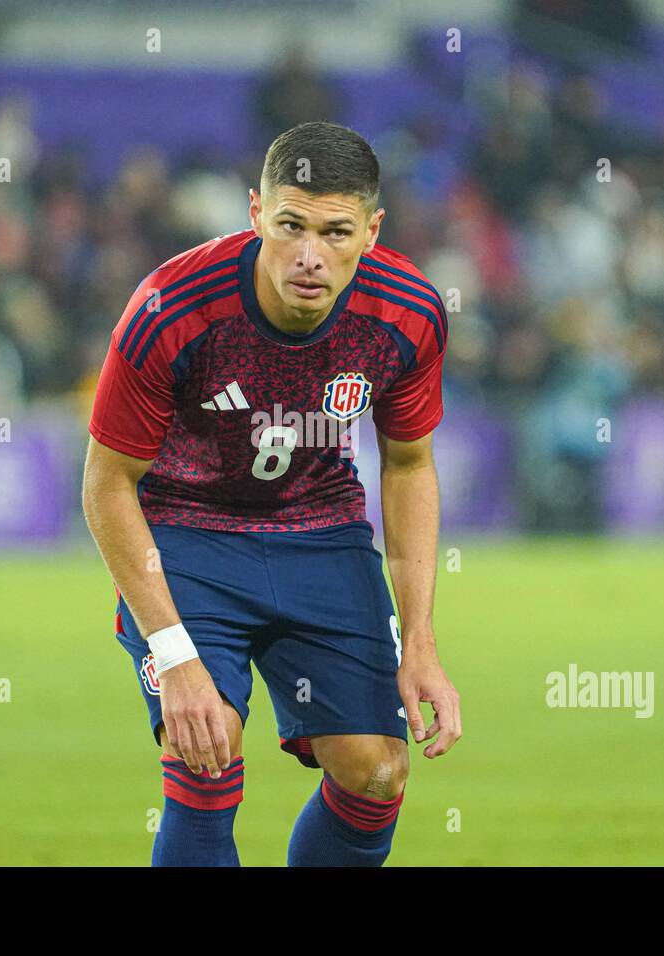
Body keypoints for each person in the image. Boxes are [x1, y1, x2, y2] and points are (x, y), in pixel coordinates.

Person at [82, 121, 461, 866]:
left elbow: (410, 465)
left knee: (378, 773)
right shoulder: (170, 306)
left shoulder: (408, 314)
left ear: (372, 232)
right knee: (207, 750)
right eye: (290, 225)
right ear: (255, 212)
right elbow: (106, 484)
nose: (310, 255)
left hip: (322, 534)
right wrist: (173, 651)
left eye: (336, 231)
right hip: (185, 538)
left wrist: (419, 640)